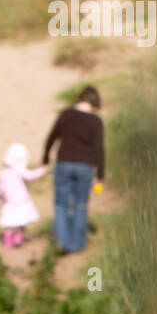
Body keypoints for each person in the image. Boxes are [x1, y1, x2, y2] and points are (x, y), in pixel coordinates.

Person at [42, 85, 105, 255]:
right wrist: (100, 175)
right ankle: (76, 245)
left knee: (61, 203)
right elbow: (99, 149)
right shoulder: (96, 121)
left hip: (64, 163)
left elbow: (51, 137)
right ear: (96, 103)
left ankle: (61, 241)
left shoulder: (66, 114)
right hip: (85, 167)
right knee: (81, 205)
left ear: (79, 98)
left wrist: (46, 158)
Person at [0, 143, 47, 248]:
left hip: (9, 202)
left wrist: (1, 200)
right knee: (22, 221)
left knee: (9, 224)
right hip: (21, 201)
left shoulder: (3, 173)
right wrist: (42, 170)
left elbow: (0, 189)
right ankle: (18, 238)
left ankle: (8, 243)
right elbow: (30, 176)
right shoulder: (19, 170)